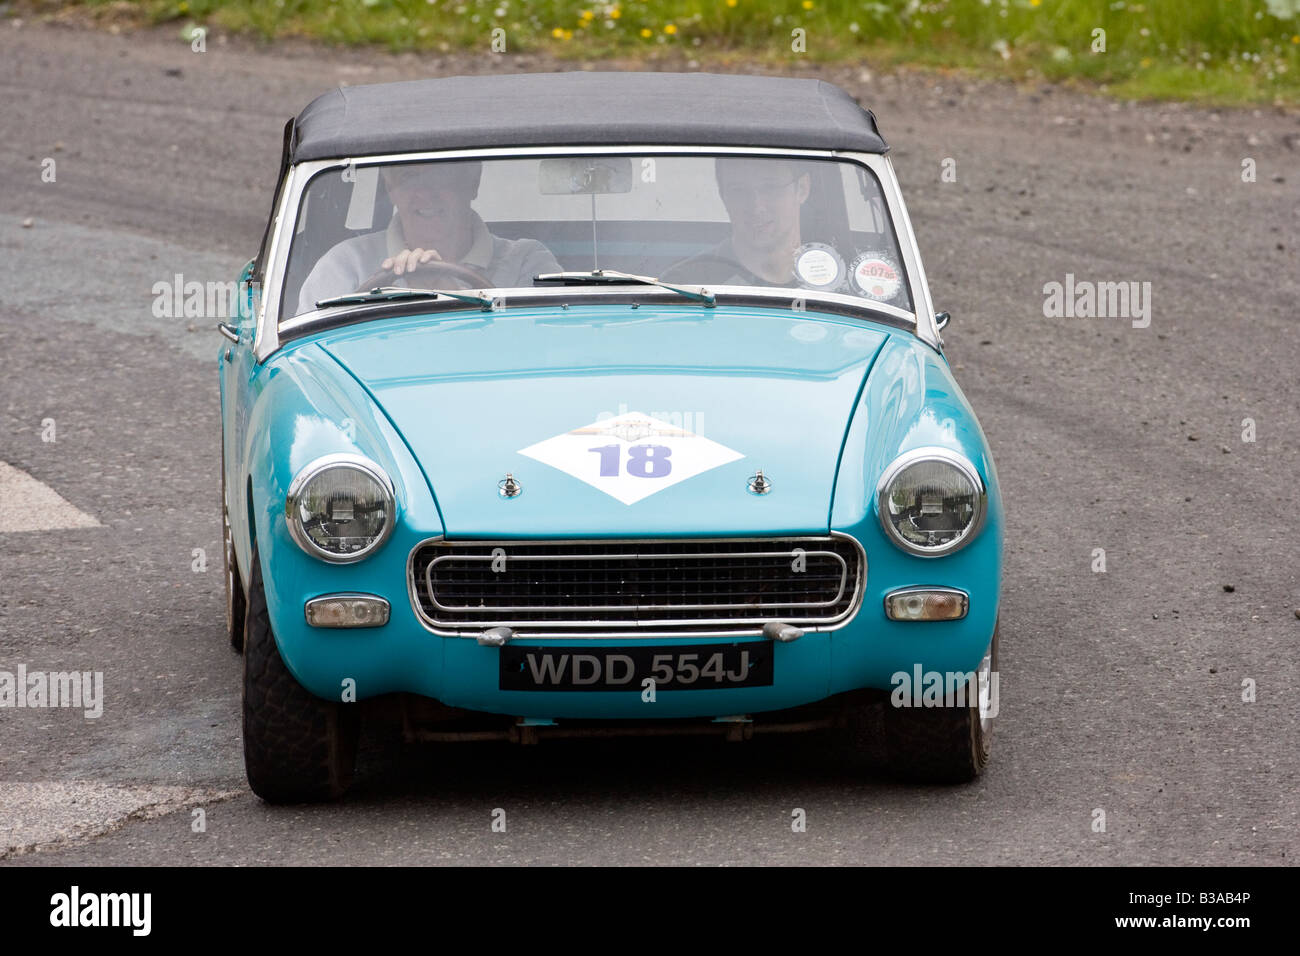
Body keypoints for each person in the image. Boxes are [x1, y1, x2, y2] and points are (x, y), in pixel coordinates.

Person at [296, 160, 561, 314]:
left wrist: (453, 293)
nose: (425, 193)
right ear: (391, 189)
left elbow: (551, 350)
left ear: (473, 183)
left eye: (442, 175)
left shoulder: (527, 262)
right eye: (409, 177)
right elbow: (313, 366)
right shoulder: (346, 265)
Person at [661, 157, 812, 286]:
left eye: (770, 188)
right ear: (723, 197)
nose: (756, 206)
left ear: (802, 188)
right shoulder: (687, 286)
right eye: (739, 191)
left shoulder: (831, 281)